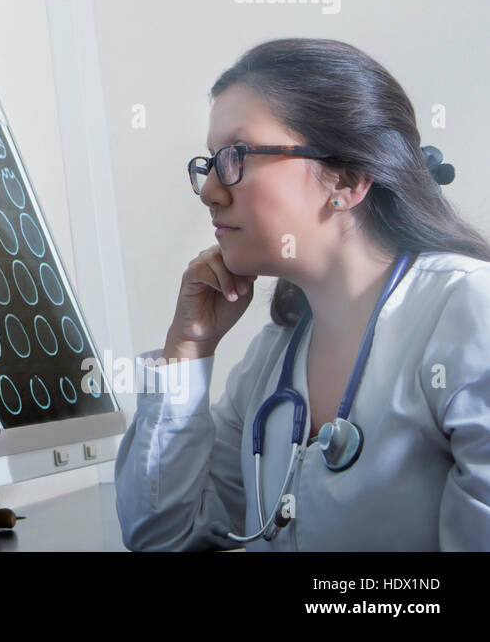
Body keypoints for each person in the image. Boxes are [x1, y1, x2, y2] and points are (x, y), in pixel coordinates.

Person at [114, 38, 490, 551]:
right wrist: (187, 351)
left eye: (236, 157)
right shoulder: (274, 355)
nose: (209, 191)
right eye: (210, 163)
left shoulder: (471, 310)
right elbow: (162, 538)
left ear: (348, 178)